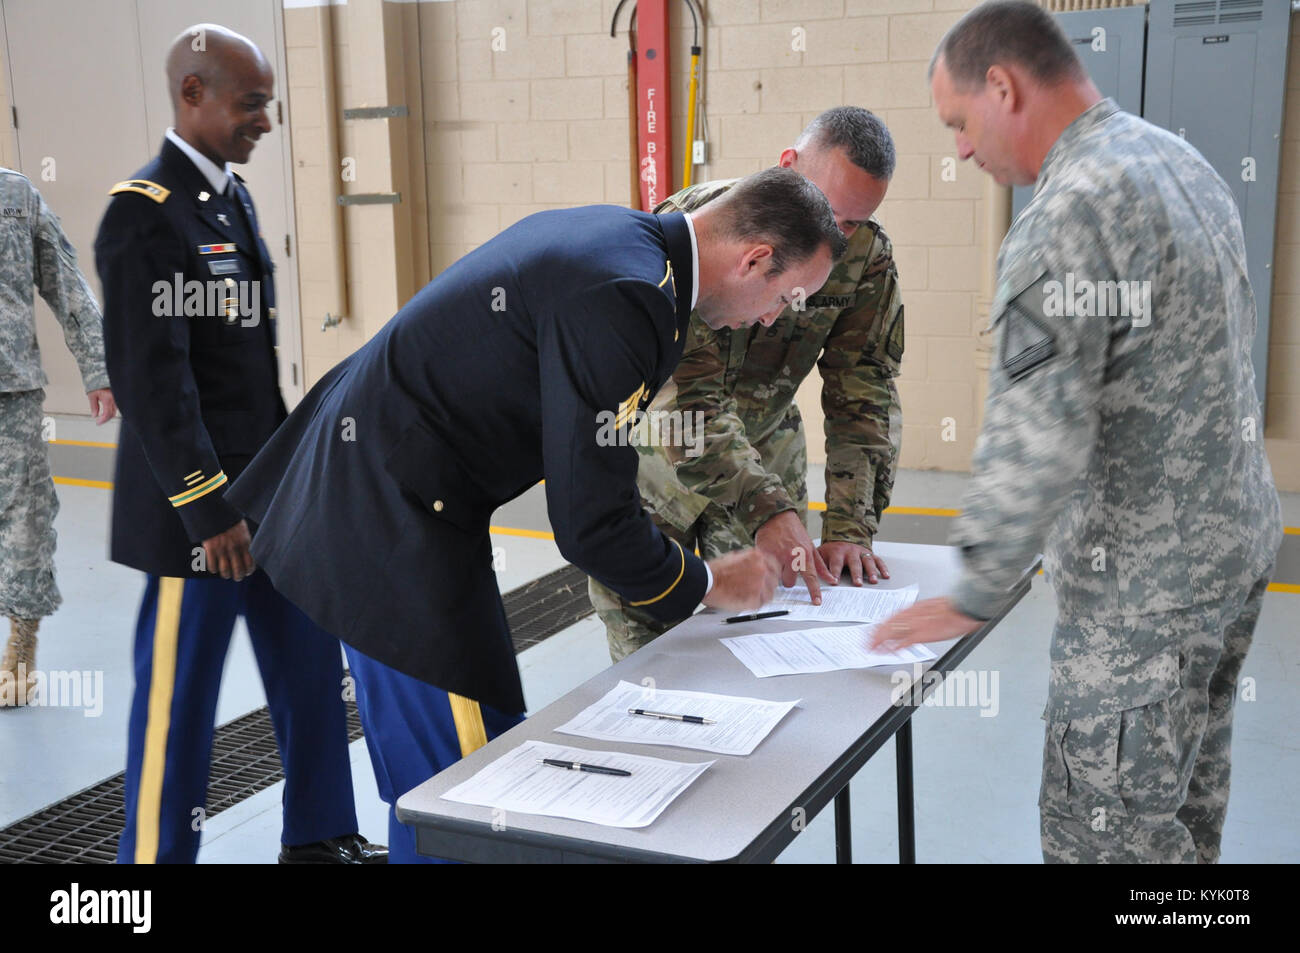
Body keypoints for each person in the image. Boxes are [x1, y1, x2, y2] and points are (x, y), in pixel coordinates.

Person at [226, 166, 846, 862]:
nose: (773, 318)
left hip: (412, 501)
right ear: (756, 257)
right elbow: (589, 522)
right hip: (382, 515)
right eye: (785, 297)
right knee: (460, 798)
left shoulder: (635, 250)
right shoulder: (629, 294)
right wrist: (707, 584)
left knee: (493, 749)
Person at [870, 0, 1282, 864]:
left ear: (1002, 85)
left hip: (1141, 595)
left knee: (1107, 838)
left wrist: (974, 586)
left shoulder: (1065, 217)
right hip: (1227, 558)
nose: (960, 150)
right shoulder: (1182, 164)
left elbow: (1037, 426)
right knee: (1182, 820)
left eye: (958, 122)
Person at [94, 23, 383, 864]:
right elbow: (155, 382)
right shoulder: (143, 215)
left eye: (268, 103)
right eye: (250, 104)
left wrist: (293, 481)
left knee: (309, 668)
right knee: (179, 701)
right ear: (193, 95)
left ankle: (319, 836)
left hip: (269, 500)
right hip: (199, 520)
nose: (266, 120)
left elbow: (249, 373)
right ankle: (147, 866)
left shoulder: (232, 199)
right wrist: (208, 507)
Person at [589, 106, 904, 662]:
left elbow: (864, 393)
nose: (833, 236)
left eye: (852, 223)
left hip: (767, 463)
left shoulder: (866, 261)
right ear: (788, 166)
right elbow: (685, 400)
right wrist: (770, 511)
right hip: (660, 468)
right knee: (646, 661)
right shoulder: (695, 227)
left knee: (762, 647)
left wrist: (851, 525)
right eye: (829, 211)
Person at [0, 170, 116, 707]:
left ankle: (20, 649)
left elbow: (65, 282)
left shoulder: (17, 195)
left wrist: (100, 369)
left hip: (12, 392)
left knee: (27, 518)